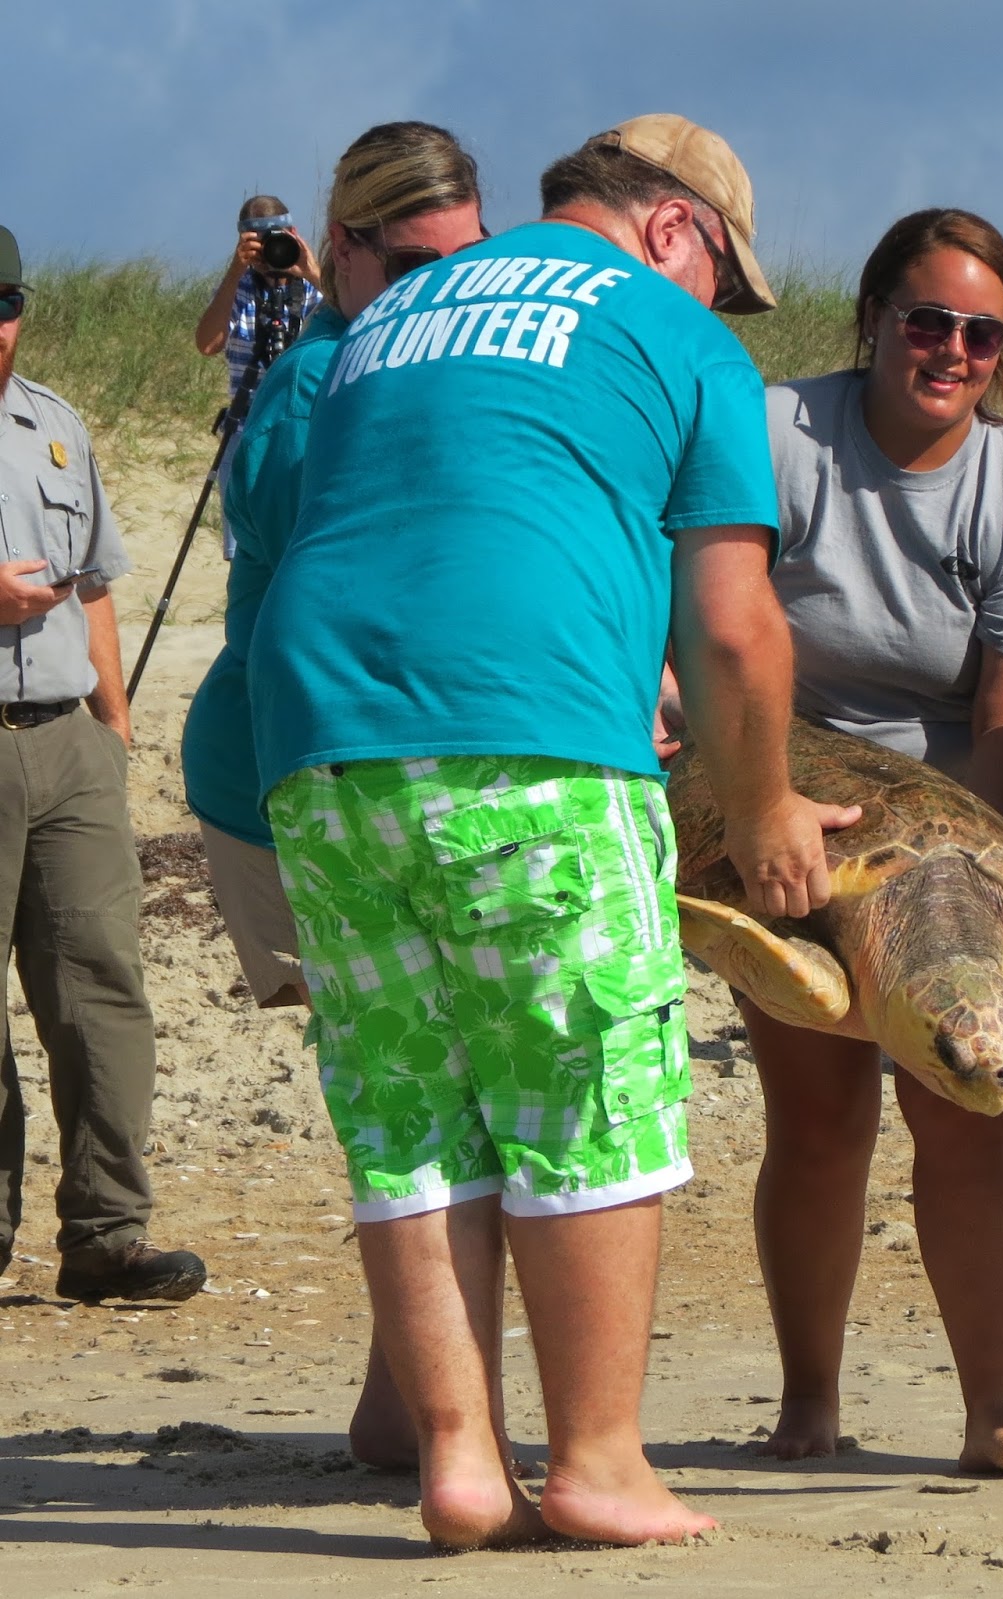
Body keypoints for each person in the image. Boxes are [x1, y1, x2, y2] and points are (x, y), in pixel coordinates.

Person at [247, 115, 855, 1550]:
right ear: (674, 230)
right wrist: (763, 807)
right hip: (525, 739)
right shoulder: (676, 330)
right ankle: (595, 1458)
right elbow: (732, 621)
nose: (725, 309)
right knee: (585, 1074)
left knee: (408, 1100)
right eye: (726, 274)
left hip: (323, 738)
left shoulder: (396, 315)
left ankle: (460, 1459)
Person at [752, 208, 1003, 1473]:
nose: (950, 350)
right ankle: (807, 1404)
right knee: (819, 1114)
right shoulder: (780, 434)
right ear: (874, 318)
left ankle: (991, 1409)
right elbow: (714, 623)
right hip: (790, 810)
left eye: (981, 333)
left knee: (971, 1101)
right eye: (926, 320)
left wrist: (961, 885)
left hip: (956, 825)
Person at [182, 121, 487, 1471]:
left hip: (312, 758)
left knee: (429, 1075)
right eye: (413, 261)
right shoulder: (320, 385)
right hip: (291, 770)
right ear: (343, 249)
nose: (439, 291)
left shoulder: (371, 365)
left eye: (463, 264)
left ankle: (406, 1403)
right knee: (424, 1076)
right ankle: (418, 1408)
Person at [0, 224, 207, 1303]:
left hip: (69, 741)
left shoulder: (56, 427)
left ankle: (107, 1235)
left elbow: (96, 587)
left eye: (3, 302)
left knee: (99, 988)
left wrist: (114, 722)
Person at [193, 196, 323, 557]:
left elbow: (360, 321)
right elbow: (207, 344)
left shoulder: (315, 286)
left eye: (277, 238)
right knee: (247, 552)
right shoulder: (239, 289)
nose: (270, 252)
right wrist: (235, 272)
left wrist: (311, 270)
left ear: (293, 233)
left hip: (305, 429)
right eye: (258, 243)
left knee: (303, 548)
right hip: (246, 430)